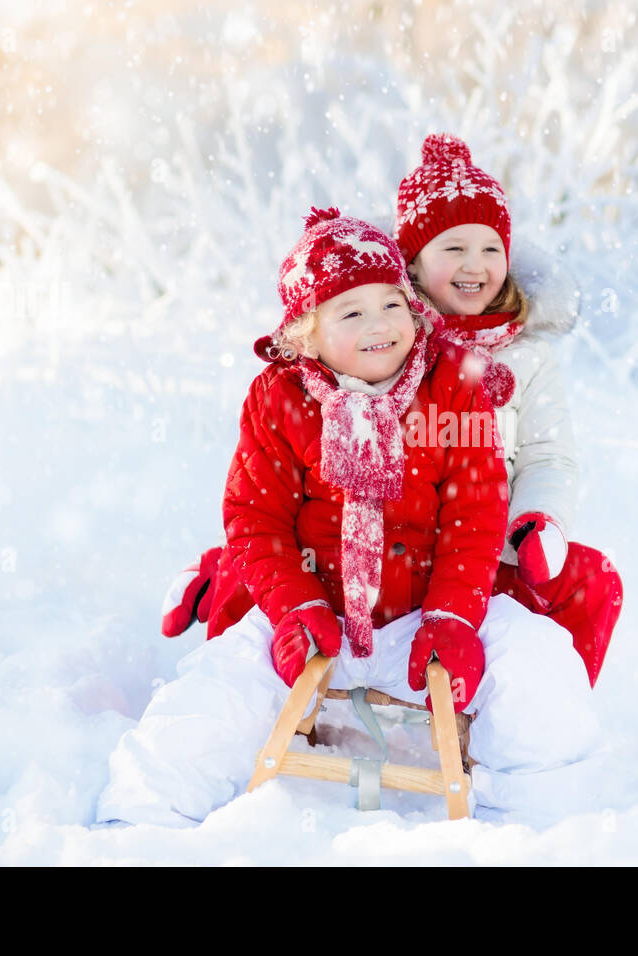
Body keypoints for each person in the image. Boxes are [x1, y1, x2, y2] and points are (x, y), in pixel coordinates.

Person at [96, 210, 601, 828]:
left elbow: (476, 516)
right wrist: (295, 607)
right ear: (306, 334)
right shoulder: (279, 400)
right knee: (215, 690)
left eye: (392, 304)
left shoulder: (453, 389)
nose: (381, 326)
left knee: (538, 664)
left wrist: (451, 616)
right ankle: (141, 820)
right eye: (352, 312)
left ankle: (542, 818)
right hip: (316, 613)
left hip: (423, 615)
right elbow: (256, 521)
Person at [165, 135, 624, 688]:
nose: (473, 266)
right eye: (452, 249)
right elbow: (267, 497)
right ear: (410, 264)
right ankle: (227, 586)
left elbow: (549, 456)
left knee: (589, 581)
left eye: (490, 249)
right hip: (346, 542)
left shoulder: (522, 358)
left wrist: (538, 521)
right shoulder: (376, 334)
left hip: (477, 543)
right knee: (265, 559)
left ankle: (542, 705)